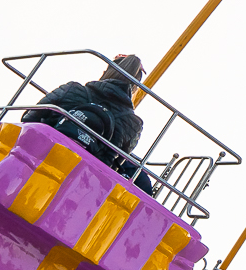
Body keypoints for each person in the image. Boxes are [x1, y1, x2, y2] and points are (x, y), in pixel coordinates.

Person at [22, 53, 155, 189]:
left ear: (105, 72)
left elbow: (28, 119)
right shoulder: (133, 124)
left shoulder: (72, 89)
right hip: (78, 185)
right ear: (135, 89)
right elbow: (113, 166)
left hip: (33, 162)